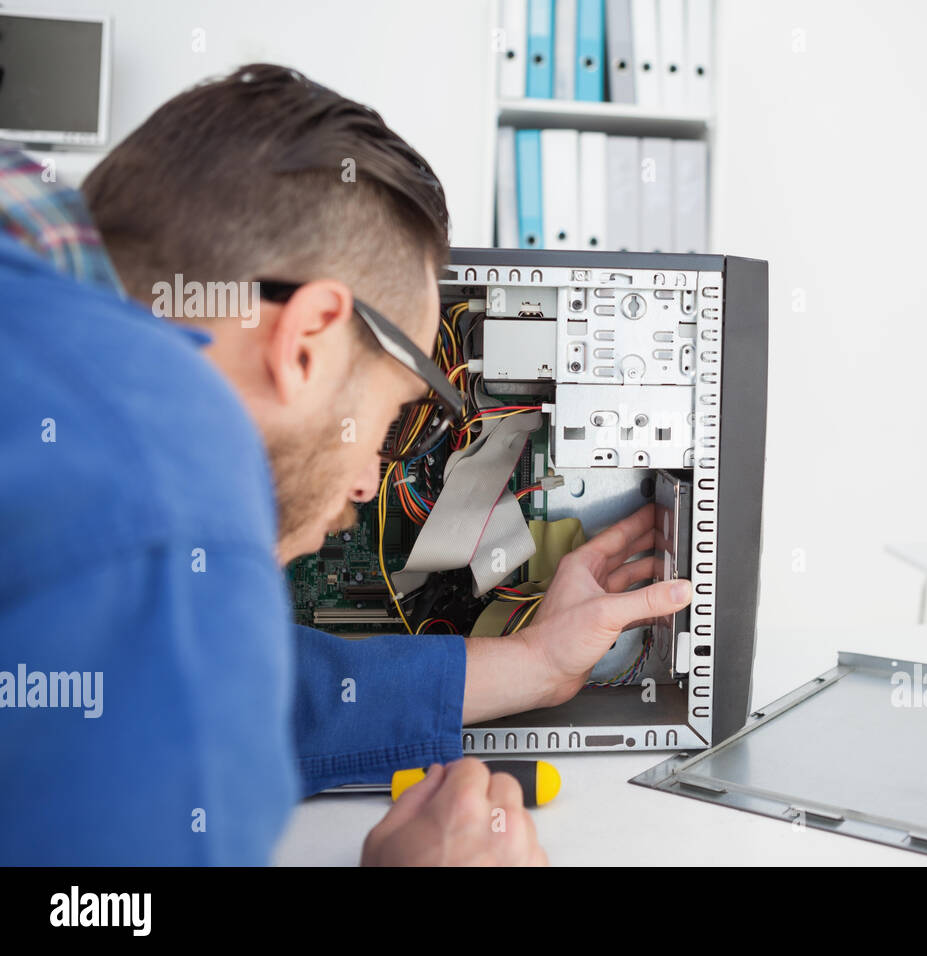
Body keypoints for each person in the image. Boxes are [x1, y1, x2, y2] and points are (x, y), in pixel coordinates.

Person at [0, 64, 690, 865]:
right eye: (393, 418)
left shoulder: (35, 256)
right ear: (307, 339)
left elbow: (214, 693)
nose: (370, 482)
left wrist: (534, 664)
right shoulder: (157, 504)